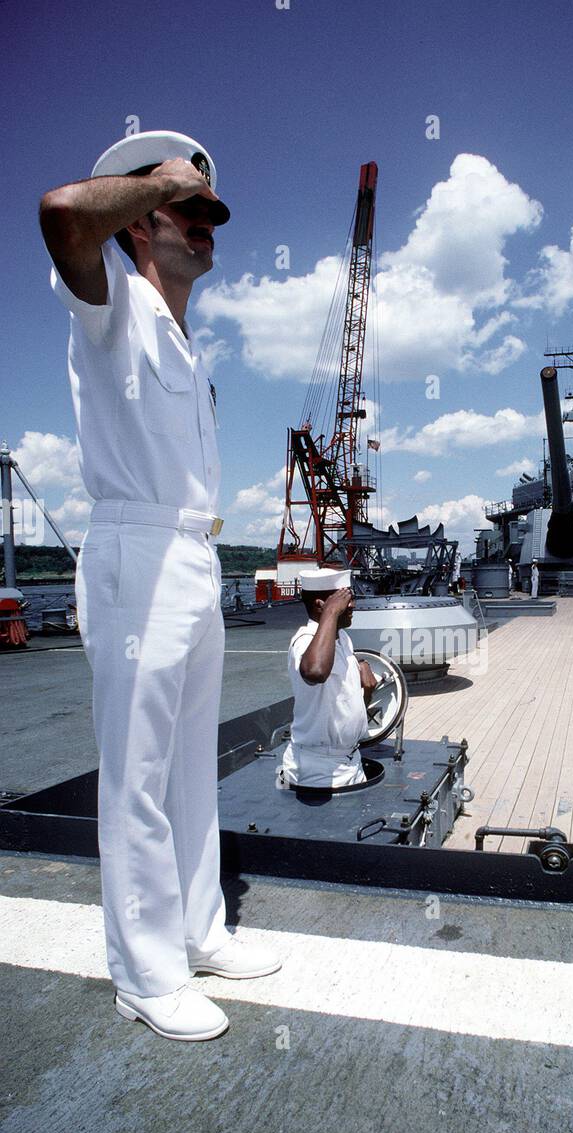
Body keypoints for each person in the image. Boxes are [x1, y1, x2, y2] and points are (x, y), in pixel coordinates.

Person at [41, 130, 280, 1043]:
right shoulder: (112, 307)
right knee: (137, 774)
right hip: (135, 550)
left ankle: (197, 932)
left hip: (191, 556)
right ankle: (144, 972)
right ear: (141, 221)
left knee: (190, 769)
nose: (205, 224)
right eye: (189, 208)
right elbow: (62, 214)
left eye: (211, 211)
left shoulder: (187, 342)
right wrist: (151, 183)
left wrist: (170, 191)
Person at [277, 569, 378, 789]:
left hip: (351, 762)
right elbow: (315, 671)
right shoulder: (304, 640)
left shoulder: (342, 638)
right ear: (321, 605)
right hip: (316, 769)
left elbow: (343, 706)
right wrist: (331, 613)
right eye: (343, 600)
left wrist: (367, 689)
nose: (352, 606)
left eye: (351, 598)